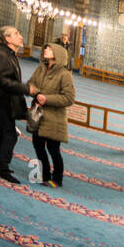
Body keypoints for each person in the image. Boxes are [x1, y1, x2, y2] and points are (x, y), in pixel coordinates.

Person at [0, 25, 34, 183]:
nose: (20, 36)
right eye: (16, 33)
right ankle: (3, 168)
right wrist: (26, 89)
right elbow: (1, 80)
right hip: (4, 98)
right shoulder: (2, 55)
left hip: (6, 98)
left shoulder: (8, 54)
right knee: (10, 134)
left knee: (3, 130)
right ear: (7, 39)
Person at [28, 43, 75, 188]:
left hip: (54, 119)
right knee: (38, 146)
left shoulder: (64, 75)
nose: (45, 50)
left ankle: (57, 179)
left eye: (49, 49)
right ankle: (45, 175)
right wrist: (35, 93)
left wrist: (47, 99)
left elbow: (69, 98)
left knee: (53, 150)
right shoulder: (41, 69)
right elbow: (31, 83)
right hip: (39, 117)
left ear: (58, 54)